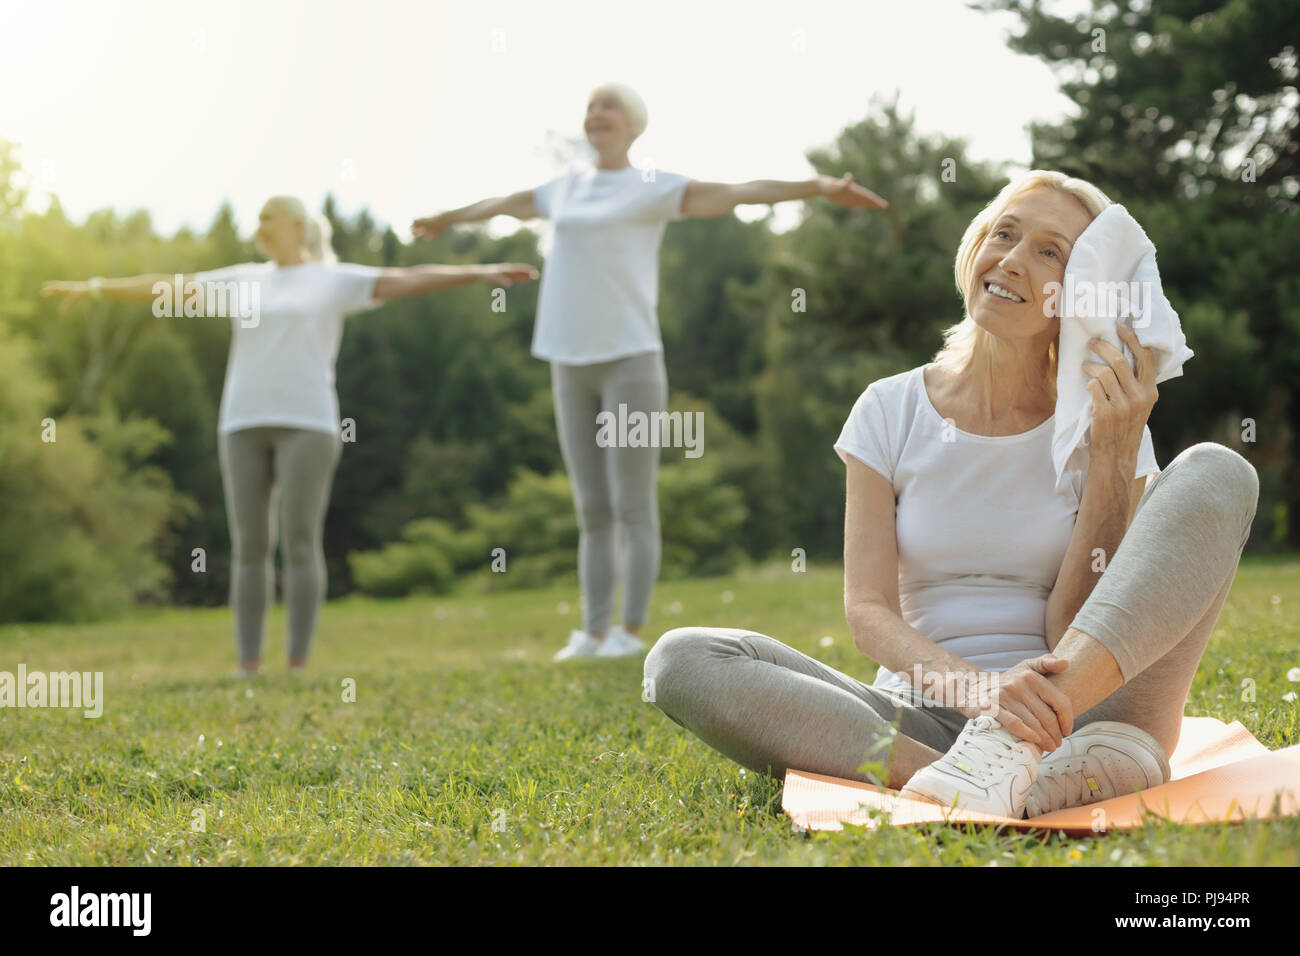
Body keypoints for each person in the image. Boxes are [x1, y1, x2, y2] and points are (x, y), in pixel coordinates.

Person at [642, 170, 1259, 819]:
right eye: (1005, 233)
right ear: (976, 247)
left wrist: (1109, 455)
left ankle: (1005, 772)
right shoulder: (890, 408)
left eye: (1050, 252)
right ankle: (987, 781)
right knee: (684, 659)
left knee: (1218, 469)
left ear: (1082, 293)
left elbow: (1071, 625)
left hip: (1086, 710)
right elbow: (869, 613)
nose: (1013, 260)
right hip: (925, 715)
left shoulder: (1107, 422)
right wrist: (985, 696)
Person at [412, 82, 889, 662]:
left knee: (632, 501)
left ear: (634, 124)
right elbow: (500, 205)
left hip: (631, 361)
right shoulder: (563, 187)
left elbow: (737, 191)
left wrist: (815, 187)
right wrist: (443, 218)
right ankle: (589, 632)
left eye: (609, 107)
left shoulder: (651, 186)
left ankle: (628, 632)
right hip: (568, 360)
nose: (597, 116)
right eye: (590, 108)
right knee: (590, 506)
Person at [43, 195, 538, 676]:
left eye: (269, 217)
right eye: (257, 217)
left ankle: (298, 663)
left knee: (300, 541)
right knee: (251, 545)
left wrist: (477, 272)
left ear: (298, 226)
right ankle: (248, 663)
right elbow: (167, 287)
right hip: (241, 422)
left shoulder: (332, 280)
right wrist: (94, 286)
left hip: (310, 422)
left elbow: (406, 278)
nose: (259, 224)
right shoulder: (242, 280)